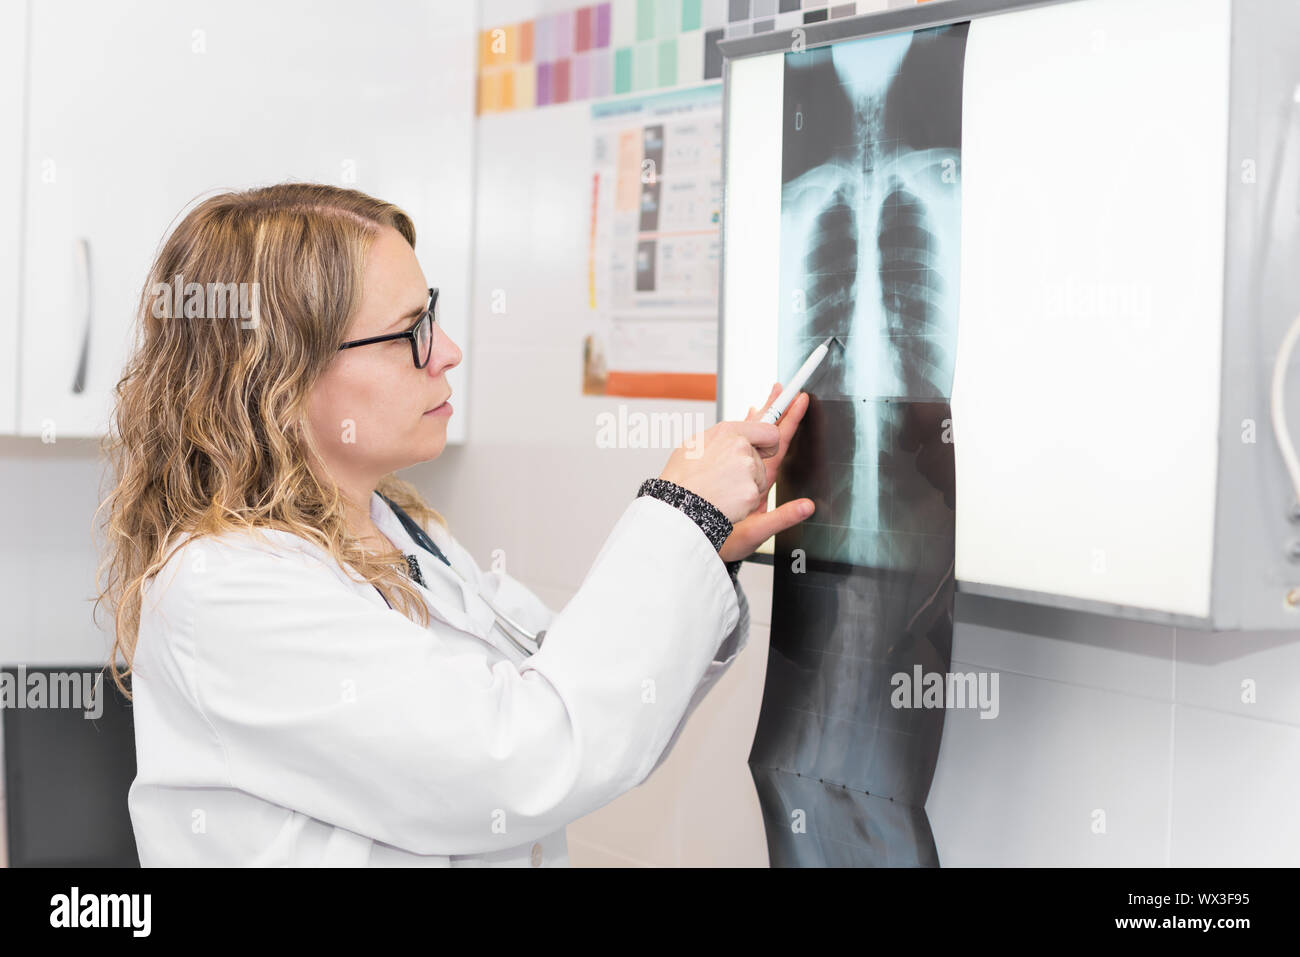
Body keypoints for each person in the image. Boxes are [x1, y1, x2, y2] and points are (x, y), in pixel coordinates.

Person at [95, 183, 814, 867]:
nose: (447, 352)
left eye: (429, 314)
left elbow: (583, 702)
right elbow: (525, 758)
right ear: (277, 376)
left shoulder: (402, 533)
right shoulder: (225, 590)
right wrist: (678, 512)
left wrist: (696, 557)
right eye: (409, 331)